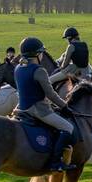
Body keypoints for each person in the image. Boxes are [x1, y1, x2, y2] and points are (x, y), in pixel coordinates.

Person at [14, 36, 77, 172]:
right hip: (38, 110)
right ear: (37, 54)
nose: (42, 55)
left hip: (21, 108)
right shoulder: (39, 70)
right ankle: (55, 162)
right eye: (41, 52)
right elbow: (51, 94)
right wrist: (64, 106)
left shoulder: (18, 68)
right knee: (68, 127)